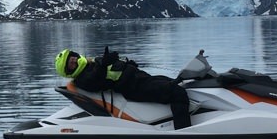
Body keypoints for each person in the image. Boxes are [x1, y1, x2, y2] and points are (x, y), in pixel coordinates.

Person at [54, 47, 192, 130]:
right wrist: (104, 63)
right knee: (177, 92)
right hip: (134, 87)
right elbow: (95, 81)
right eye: (70, 63)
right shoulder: (82, 79)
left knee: (179, 83)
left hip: (139, 78)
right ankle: (183, 133)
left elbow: (112, 69)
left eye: (72, 57)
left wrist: (128, 65)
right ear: (69, 71)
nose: (74, 60)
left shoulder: (92, 63)